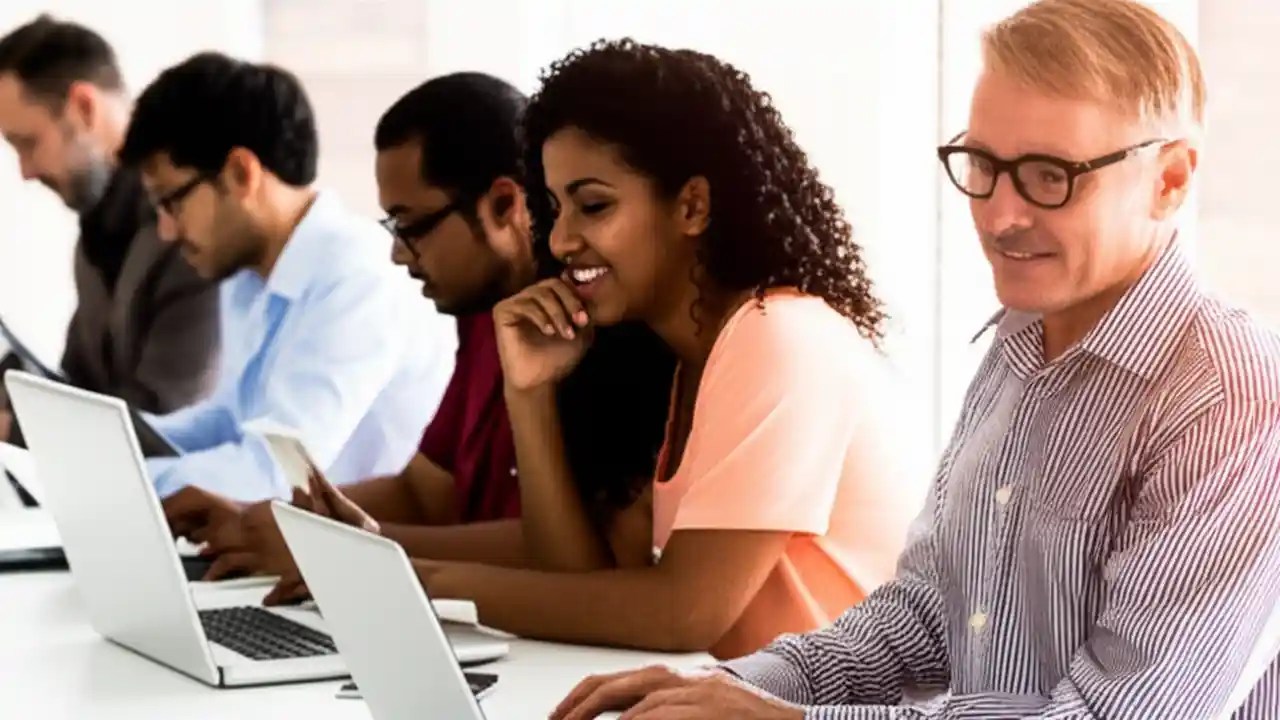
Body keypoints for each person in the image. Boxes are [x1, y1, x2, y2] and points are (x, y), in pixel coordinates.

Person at [551, 1, 1280, 718]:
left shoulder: (1229, 393)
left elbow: (1120, 715)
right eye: (983, 164)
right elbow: (924, 618)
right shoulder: (1024, 338)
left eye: (1049, 176)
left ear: (1171, 180)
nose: (999, 215)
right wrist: (729, 688)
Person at [303, 39, 926, 660]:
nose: (564, 239)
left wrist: (419, 578)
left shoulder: (780, 336)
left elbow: (683, 614)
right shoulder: (677, 360)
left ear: (692, 206)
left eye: (593, 205)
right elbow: (579, 582)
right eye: (553, 208)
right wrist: (530, 393)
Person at [161, 72, 676, 589]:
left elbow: (572, 553)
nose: (397, 253)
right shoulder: (479, 317)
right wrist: (256, 519)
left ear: (503, 205)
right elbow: (425, 492)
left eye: (411, 226)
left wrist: (348, 545)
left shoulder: (603, 330)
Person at [118, 52, 455, 502]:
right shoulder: (247, 277)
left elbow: (276, 475)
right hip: (283, 544)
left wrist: (116, 481)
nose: (166, 230)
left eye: (171, 201)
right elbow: (229, 421)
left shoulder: (359, 275)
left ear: (241, 173)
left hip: (355, 554)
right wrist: (115, 443)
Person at [0, 16, 220, 442]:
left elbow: (165, 426)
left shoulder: (193, 238)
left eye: (27, 142)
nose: (25, 172)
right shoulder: (97, 236)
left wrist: (14, 429)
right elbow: (81, 389)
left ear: (84, 107)